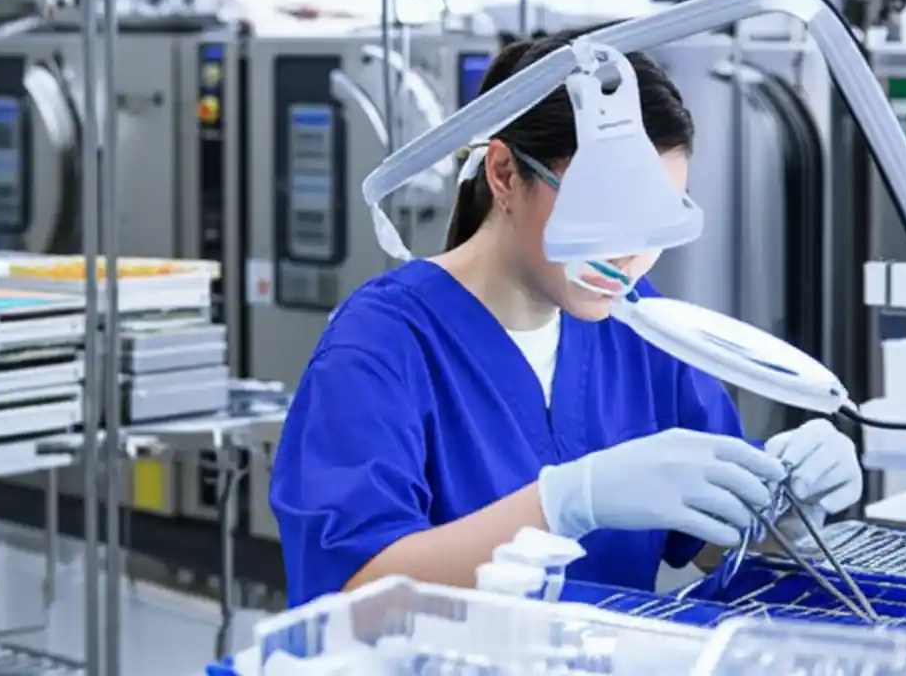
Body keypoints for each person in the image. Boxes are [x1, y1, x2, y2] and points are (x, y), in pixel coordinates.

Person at [268, 31, 864, 607]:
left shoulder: (636, 328)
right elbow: (352, 595)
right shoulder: (380, 345)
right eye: (606, 211)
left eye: (657, 220)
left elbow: (708, 540)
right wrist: (565, 503)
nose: (631, 251)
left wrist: (784, 504)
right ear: (505, 175)